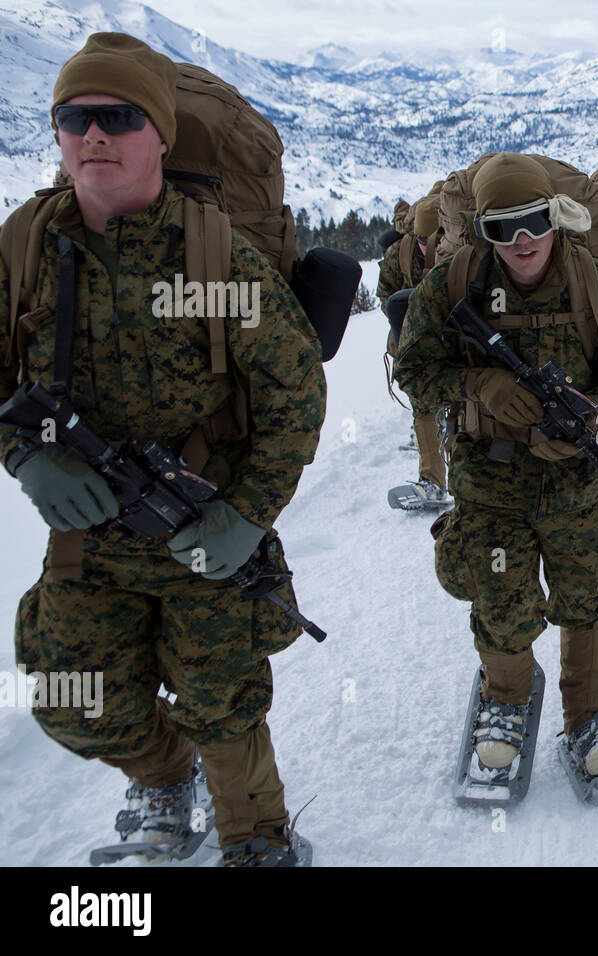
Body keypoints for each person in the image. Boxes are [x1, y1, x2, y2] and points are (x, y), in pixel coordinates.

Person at [0, 33, 325, 866]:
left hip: (201, 523)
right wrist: (27, 454)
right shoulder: (27, 248)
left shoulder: (217, 255)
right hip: (91, 542)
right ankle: (162, 776)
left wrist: (246, 516)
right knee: (74, 699)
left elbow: (296, 396)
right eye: (74, 118)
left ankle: (255, 834)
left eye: (118, 116)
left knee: (225, 700)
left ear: (161, 134)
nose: (94, 135)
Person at [393, 153, 598, 790]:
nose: (521, 241)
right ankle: (505, 702)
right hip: (490, 482)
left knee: (586, 596)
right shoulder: (452, 285)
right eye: (501, 228)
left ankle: (588, 715)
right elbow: (413, 370)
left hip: (578, 484)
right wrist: (478, 383)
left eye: (535, 222)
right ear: (481, 229)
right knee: (501, 597)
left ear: (557, 216)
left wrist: (594, 423)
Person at [381, 194, 451, 509]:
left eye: (436, 239)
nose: (430, 248)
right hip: (411, 343)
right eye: (423, 241)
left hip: (454, 344)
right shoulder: (399, 256)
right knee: (424, 408)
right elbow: (386, 296)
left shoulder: (460, 253)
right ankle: (433, 481)